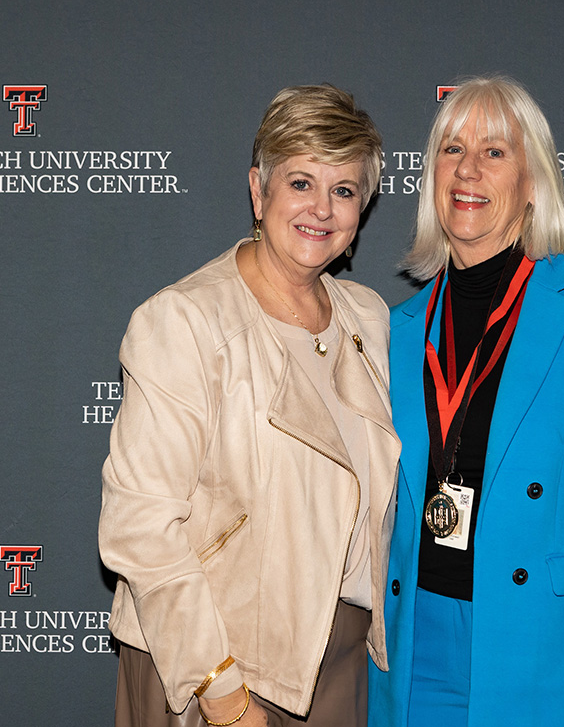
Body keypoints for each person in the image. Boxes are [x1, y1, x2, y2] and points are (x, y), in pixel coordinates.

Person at [368, 76, 564, 727]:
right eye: (451, 149)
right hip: (415, 650)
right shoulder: (392, 331)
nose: (468, 169)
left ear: (533, 182)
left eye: (495, 151)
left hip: (547, 651)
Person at [99, 84, 400, 727]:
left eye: (343, 190)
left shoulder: (368, 319)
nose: (321, 208)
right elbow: (140, 526)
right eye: (301, 183)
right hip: (207, 670)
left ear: (361, 211)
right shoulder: (183, 321)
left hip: (338, 666)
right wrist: (224, 696)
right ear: (259, 192)